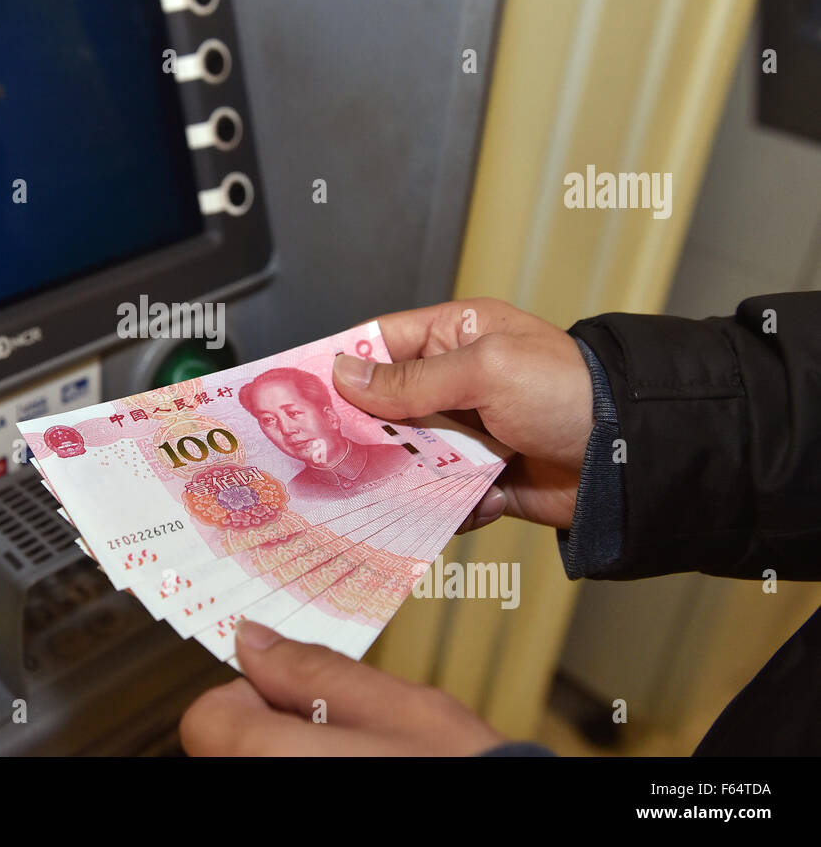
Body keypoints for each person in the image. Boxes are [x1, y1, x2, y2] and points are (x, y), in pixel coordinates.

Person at [180, 293, 821, 756]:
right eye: (267, 423)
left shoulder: (375, 460)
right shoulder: (292, 489)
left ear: (324, 403)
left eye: (290, 409)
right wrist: (612, 408)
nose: (281, 429)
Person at [238, 367, 414, 501]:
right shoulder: (294, 493)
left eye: (294, 413)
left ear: (330, 417)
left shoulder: (402, 459)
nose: (286, 429)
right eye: (269, 420)